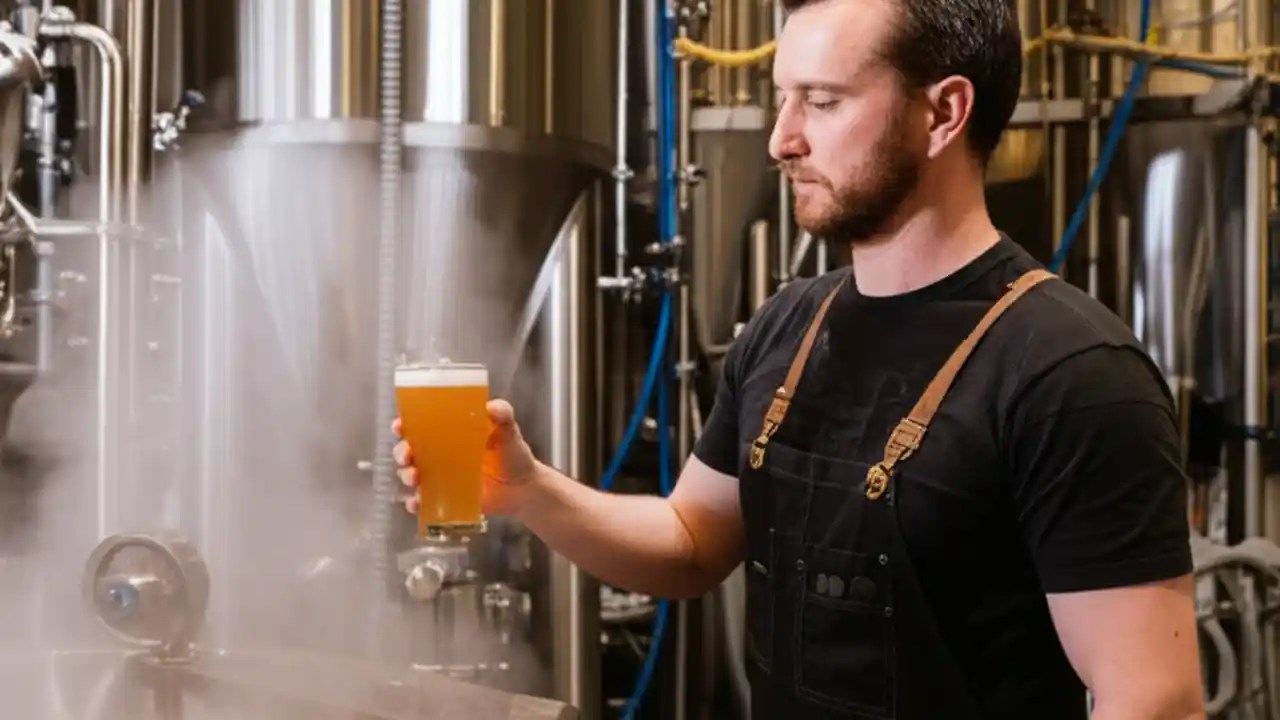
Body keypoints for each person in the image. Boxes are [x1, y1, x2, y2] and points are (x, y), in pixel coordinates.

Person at [394, 0, 1206, 717]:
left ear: (944, 113)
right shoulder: (788, 327)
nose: (782, 138)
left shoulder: (1073, 373)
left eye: (822, 101)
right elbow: (690, 542)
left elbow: (1151, 698)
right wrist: (532, 491)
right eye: (783, 99)